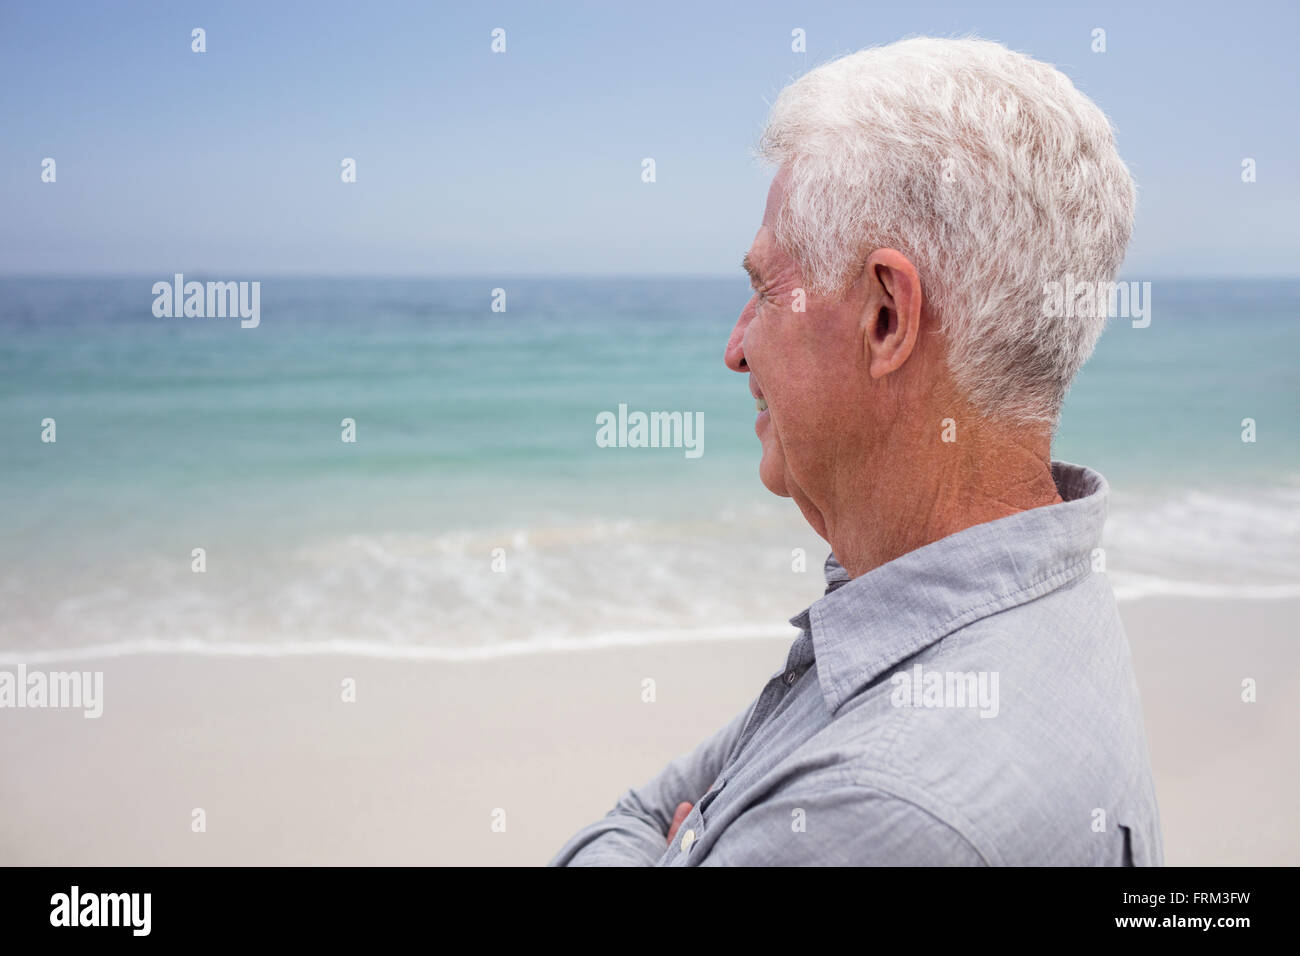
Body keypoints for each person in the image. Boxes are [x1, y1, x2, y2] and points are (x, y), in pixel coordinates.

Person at [551, 36, 1163, 866]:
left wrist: (675, 842)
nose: (735, 349)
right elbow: (648, 809)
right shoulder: (1026, 593)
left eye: (766, 290)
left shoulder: (880, 808)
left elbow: (642, 816)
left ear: (886, 317)